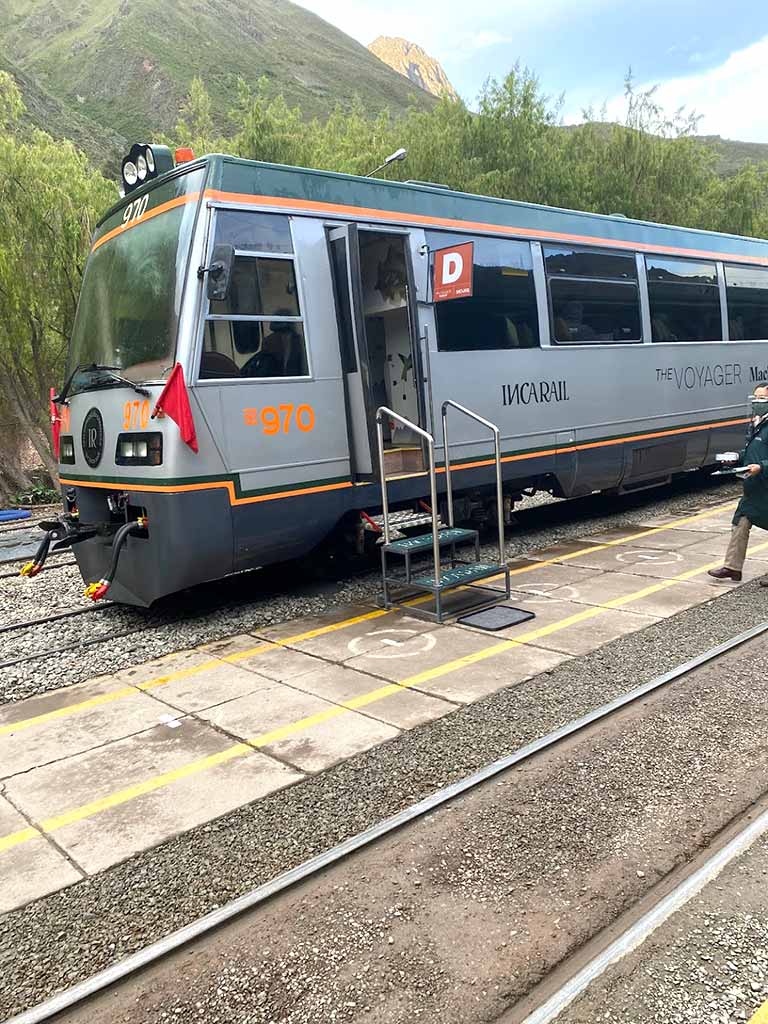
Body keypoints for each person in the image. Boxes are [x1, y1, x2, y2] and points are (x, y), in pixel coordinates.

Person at [708, 385, 768, 583]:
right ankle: (732, 567)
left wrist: (761, 466)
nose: (757, 402)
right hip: (754, 487)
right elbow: (753, 451)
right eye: (755, 397)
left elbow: (761, 459)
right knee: (740, 521)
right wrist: (736, 457)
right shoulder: (757, 423)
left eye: (762, 398)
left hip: (766, 486)